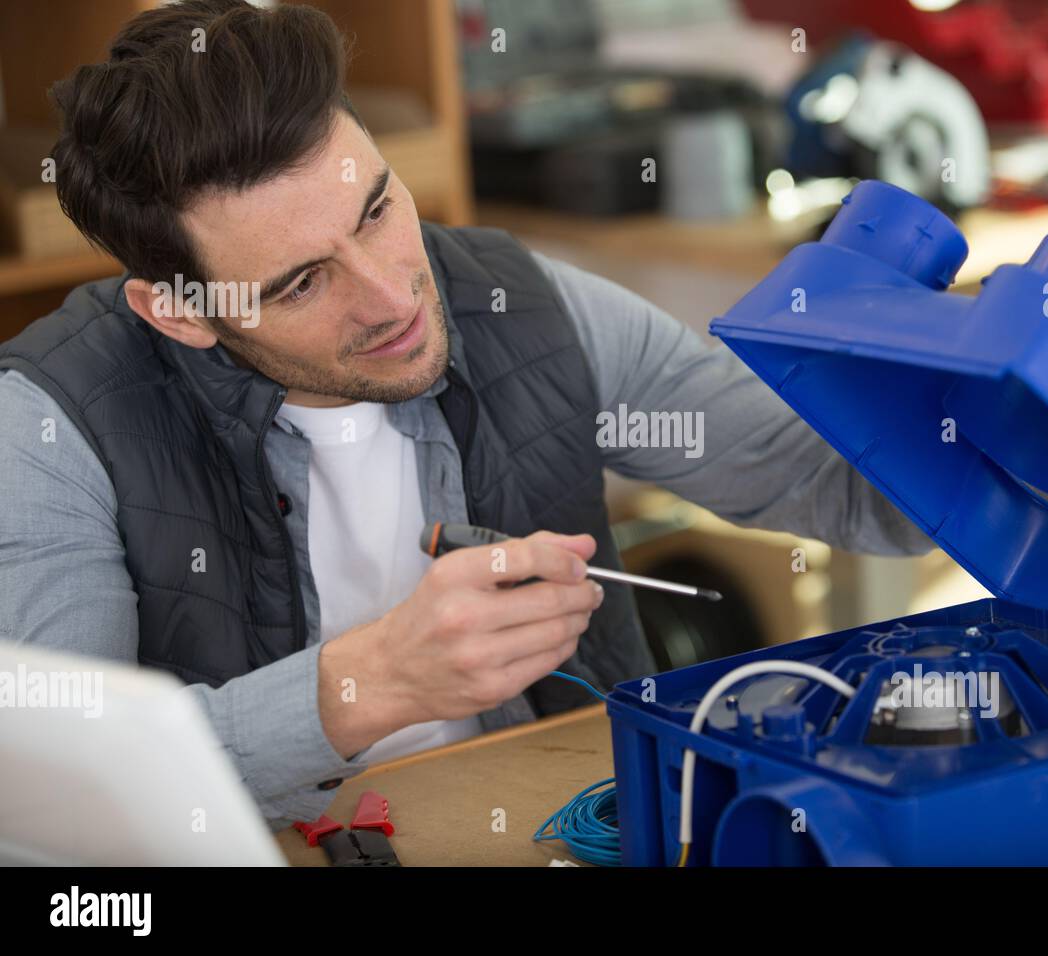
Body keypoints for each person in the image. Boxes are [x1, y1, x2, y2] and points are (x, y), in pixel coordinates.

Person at [0, 0, 930, 829]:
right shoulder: (50, 425)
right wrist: (371, 685)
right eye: (300, 283)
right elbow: (57, 790)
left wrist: (1004, 407)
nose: (392, 296)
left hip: (547, 821)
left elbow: (831, 478)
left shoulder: (517, 303)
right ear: (180, 313)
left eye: (373, 211)